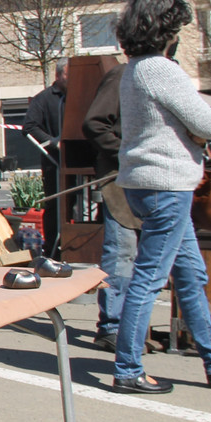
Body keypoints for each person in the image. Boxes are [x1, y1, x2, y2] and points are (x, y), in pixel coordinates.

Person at [111, 0, 211, 394]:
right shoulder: (161, 69)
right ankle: (127, 368)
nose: (179, 33)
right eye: (177, 26)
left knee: (190, 273)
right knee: (150, 277)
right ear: (166, 28)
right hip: (166, 185)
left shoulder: (134, 69)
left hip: (148, 183)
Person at [82, 62, 138, 351]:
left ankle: (133, 325)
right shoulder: (122, 74)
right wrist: (128, 153)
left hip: (148, 179)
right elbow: (94, 123)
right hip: (120, 177)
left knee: (143, 257)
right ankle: (111, 327)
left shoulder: (164, 72)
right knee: (121, 251)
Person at [23, 58, 67, 258]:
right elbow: (30, 127)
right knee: (55, 205)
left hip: (78, 162)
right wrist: (52, 142)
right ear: (58, 75)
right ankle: (53, 250)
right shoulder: (44, 99)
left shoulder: (80, 96)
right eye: (68, 75)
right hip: (54, 162)